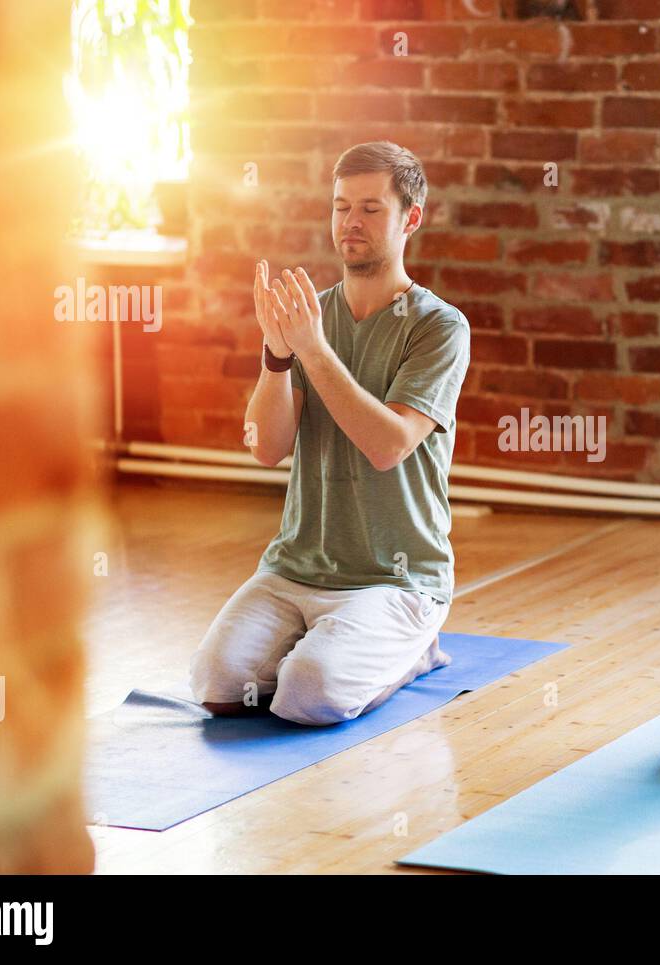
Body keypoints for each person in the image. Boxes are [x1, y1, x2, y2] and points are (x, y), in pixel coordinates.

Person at [189, 141, 471, 726]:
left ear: (410, 218)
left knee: (306, 697)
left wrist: (311, 350)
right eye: (342, 206)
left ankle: (414, 650)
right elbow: (266, 449)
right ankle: (325, 641)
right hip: (296, 567)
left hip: (396, 579)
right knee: (217, 689)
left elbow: (389, 445)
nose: (351, 222)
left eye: (371, 208)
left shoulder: (439, 326)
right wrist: (276, 354)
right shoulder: (308, 316)